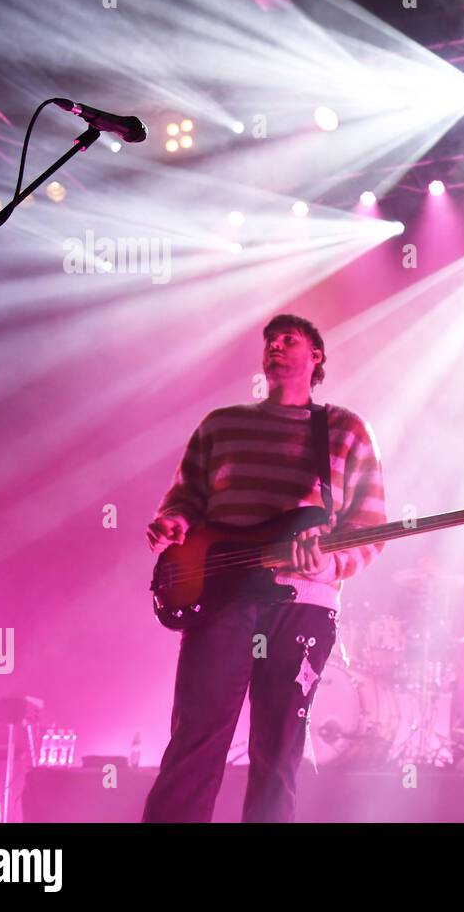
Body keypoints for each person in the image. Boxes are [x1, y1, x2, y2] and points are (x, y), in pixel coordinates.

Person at [142, 313, 385, 822]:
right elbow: (185, 499)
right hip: (220, 598)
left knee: (278, 754)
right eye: (270, 340)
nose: (275, 346)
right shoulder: (220, 424)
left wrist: (330, 563)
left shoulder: (345, 430)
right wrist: (172, 525)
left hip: (304, 606)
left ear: (316, 356)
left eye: (289, 339)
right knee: (196, 739)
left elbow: (371, 526)